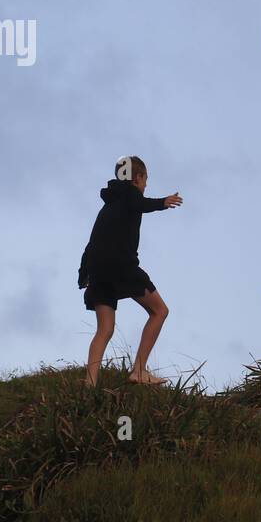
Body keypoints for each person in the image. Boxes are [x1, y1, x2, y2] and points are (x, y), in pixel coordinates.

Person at [78, 156, 182, 385]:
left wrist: (84, 273)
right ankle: (138, 371)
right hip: (121, 265)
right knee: (160, 311)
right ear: (138, 178)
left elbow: (91, 243)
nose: (146, 186)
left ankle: (90, 382)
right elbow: (140, 204)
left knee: (104, 329)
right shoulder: (130, 194)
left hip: (97, 270)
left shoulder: (109, 205)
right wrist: (163, 201)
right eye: (145, 180)